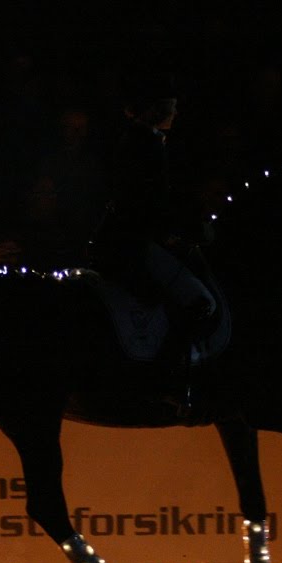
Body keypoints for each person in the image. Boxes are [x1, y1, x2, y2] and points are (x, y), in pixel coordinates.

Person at [89, 71, 217, 373]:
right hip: (134, 243)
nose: (176, 112)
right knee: (199, 301)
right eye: (171, 106)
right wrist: (187, 230)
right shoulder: (144, 144)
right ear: (154, 109)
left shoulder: (141, 141)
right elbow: (150, 204)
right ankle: (169, 369)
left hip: (126, 236)